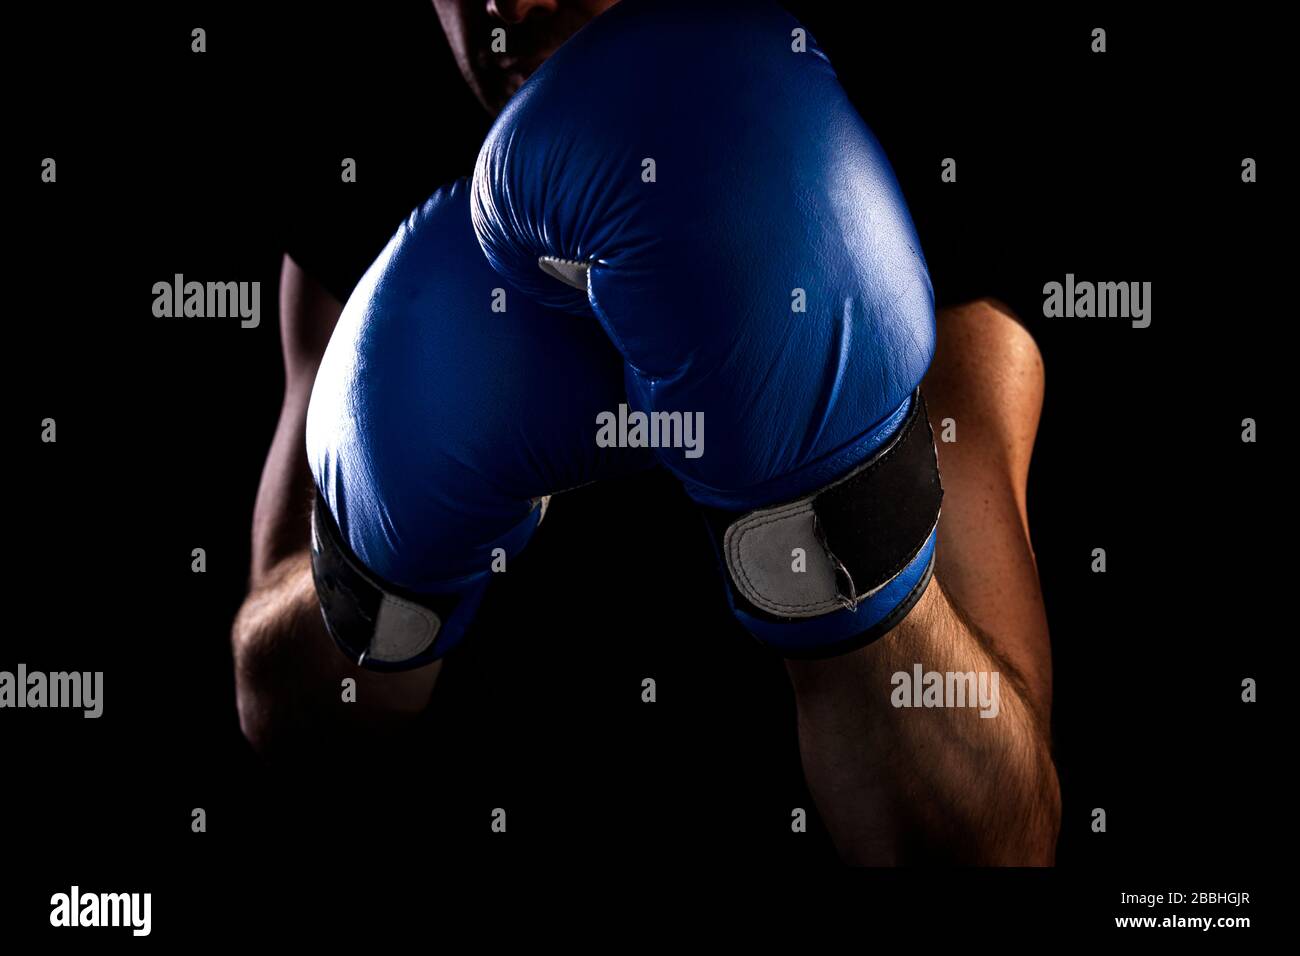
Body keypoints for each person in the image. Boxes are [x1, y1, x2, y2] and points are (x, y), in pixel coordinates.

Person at [231, 0, 1059, 865]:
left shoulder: (892, 147)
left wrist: (828, 500)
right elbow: (272, 709)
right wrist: (379, 573)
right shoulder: (359, 152)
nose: (507, 7)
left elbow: (998, 843)